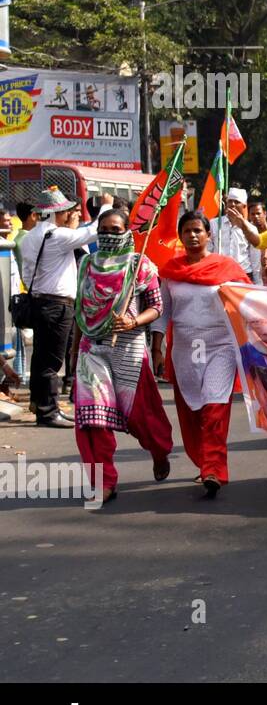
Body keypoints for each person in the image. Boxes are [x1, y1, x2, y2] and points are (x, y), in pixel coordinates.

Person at [71, 209, 173, 503]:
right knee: (93, 418)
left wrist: (133, 321)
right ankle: (103, 481)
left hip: (128, 348)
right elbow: (80, 311)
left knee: (142, 417)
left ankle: (159, 451)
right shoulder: (87, 264)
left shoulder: (140, 264)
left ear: (127, 231)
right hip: (92, 348)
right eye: (103, 230)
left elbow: (156, 307)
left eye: (115, 230)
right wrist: (74, 352)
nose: (108, 235)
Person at [157, 211, 251, 497]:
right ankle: (203, 462)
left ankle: (214, 470)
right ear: (180, 236)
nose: (193, 236)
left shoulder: (227, 268)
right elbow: (163, 312)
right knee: (192, 409)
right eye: (187, 231)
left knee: (215, 405)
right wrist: (156, 347)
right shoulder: (170, 272)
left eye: (198, 230)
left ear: (209, 235)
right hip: (184, 349)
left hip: (221, 346)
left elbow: (250, 301)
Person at [20, 187, 113, 428]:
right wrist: (106, 206)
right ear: (56, 213)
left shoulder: (31, 236)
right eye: (65, 211)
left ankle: (39, 404)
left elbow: (27, 273)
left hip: (39, 302)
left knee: (40, 358)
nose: (68, 214)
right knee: (51, 362)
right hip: (57, 305)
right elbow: (93, 231)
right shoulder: (57, 236)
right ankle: (49, 412)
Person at [215, 187, 260, 284]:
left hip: (243, 275)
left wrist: (258, 285)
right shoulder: (214, 224)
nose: (232, 204)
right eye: (230, 201)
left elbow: (255, 260)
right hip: (219, 275)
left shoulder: (251, 229)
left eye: (236, 202)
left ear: (244, 206)